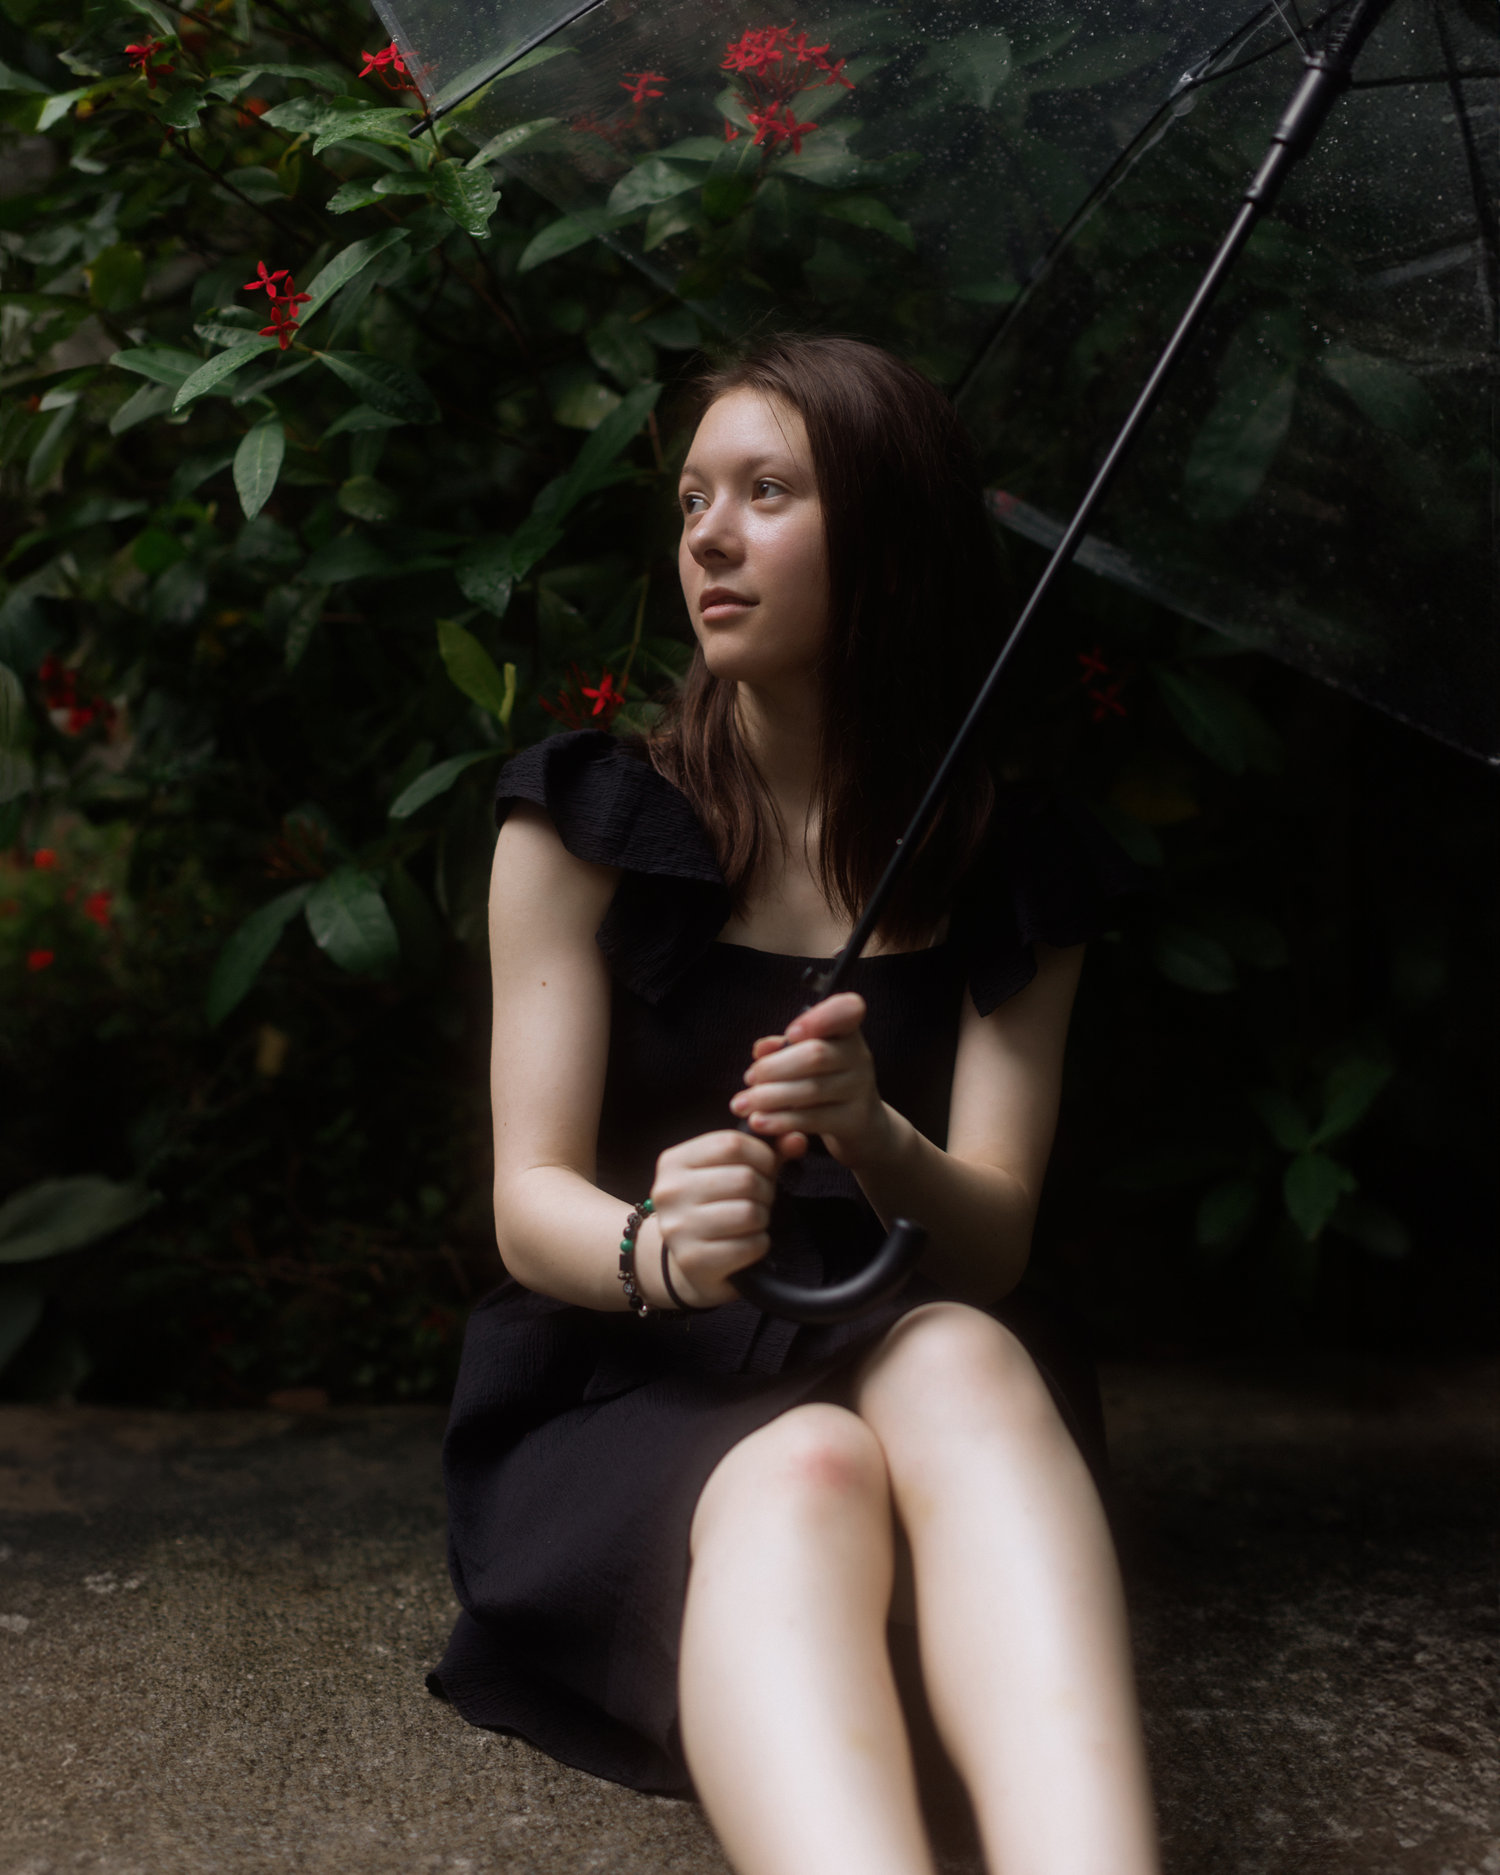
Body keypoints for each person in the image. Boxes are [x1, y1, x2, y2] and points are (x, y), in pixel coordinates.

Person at [427, 335, 1160, 1875]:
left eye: (768, 492)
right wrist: (657, 1244)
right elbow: (530, 1198)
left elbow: (994, 1244)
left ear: (886, 541)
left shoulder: (1011, 863)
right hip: (641, 1382)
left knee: (959, 1347)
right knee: (801, 1468)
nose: (707, 533)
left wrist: (879, 1135)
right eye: (695, 496)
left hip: (917, 1359)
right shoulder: (585, 826)